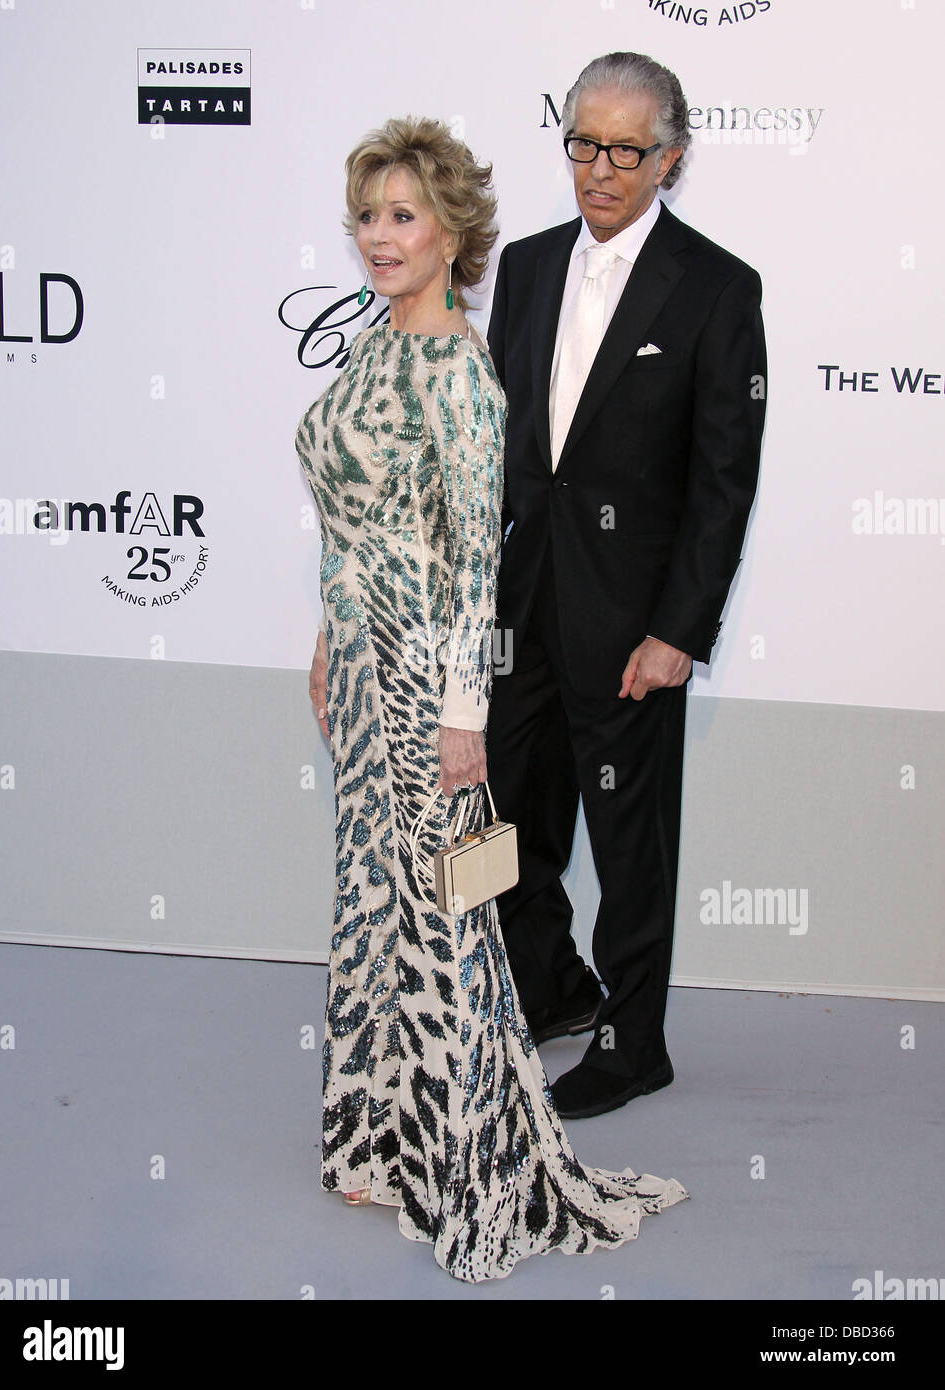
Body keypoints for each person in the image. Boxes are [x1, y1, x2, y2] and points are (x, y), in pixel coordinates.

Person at [295, 115, 687, 1283]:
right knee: (374, 902)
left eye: (403, 216)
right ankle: (377, 1132)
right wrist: (327, 634)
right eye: (367, 215)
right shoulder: (373, 347)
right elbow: (349, 519)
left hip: (428, 678)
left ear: (454, 232)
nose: (379, 236)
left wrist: (465, 712)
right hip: (363, 670)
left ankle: (467, 1150)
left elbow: (473, 556)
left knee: (448, 919)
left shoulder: (462, 373)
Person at [486, 52, 768, 1120]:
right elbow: (512, 449)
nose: (598, 168)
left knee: (630, 843)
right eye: (582, 143)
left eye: (625, 150)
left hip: (634, 625)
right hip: (521, 610)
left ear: (671, 158)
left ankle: (632, 1039)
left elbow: (722, 481)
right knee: (507, 819)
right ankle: (552, 986)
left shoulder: (717, 288)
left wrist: (678, 631)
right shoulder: (524, 265)